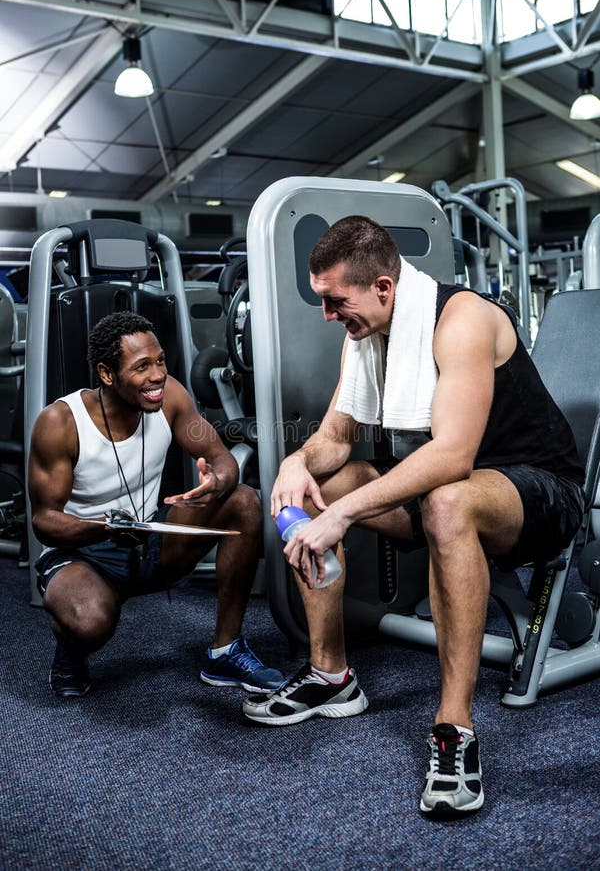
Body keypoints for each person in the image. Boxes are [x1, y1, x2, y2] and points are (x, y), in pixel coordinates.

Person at [241, 215, 585, 816]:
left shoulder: (462, 321)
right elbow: (334, 438)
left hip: (538, 491)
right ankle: (331, 675)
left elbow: (453, 456)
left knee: (447, 500)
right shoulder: (365, 337)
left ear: (382, 286)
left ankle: (455, 729)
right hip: (450, 492)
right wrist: (299, 463)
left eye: (333, 300)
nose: (327, 316)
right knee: (311, 490)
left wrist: (343, 515)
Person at [29, 311, 284, 699]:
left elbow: (222, 458)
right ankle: (71, 648)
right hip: (82, 552)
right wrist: (105, 526)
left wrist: (218, 481)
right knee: (89, 622)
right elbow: (44, 522)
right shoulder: (60, 423)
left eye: (160, 360)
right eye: (142, 366)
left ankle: (225, 649)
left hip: (151, 538)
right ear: (107, 374)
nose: (157, 375)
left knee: (243, 501)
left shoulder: (171, 398)